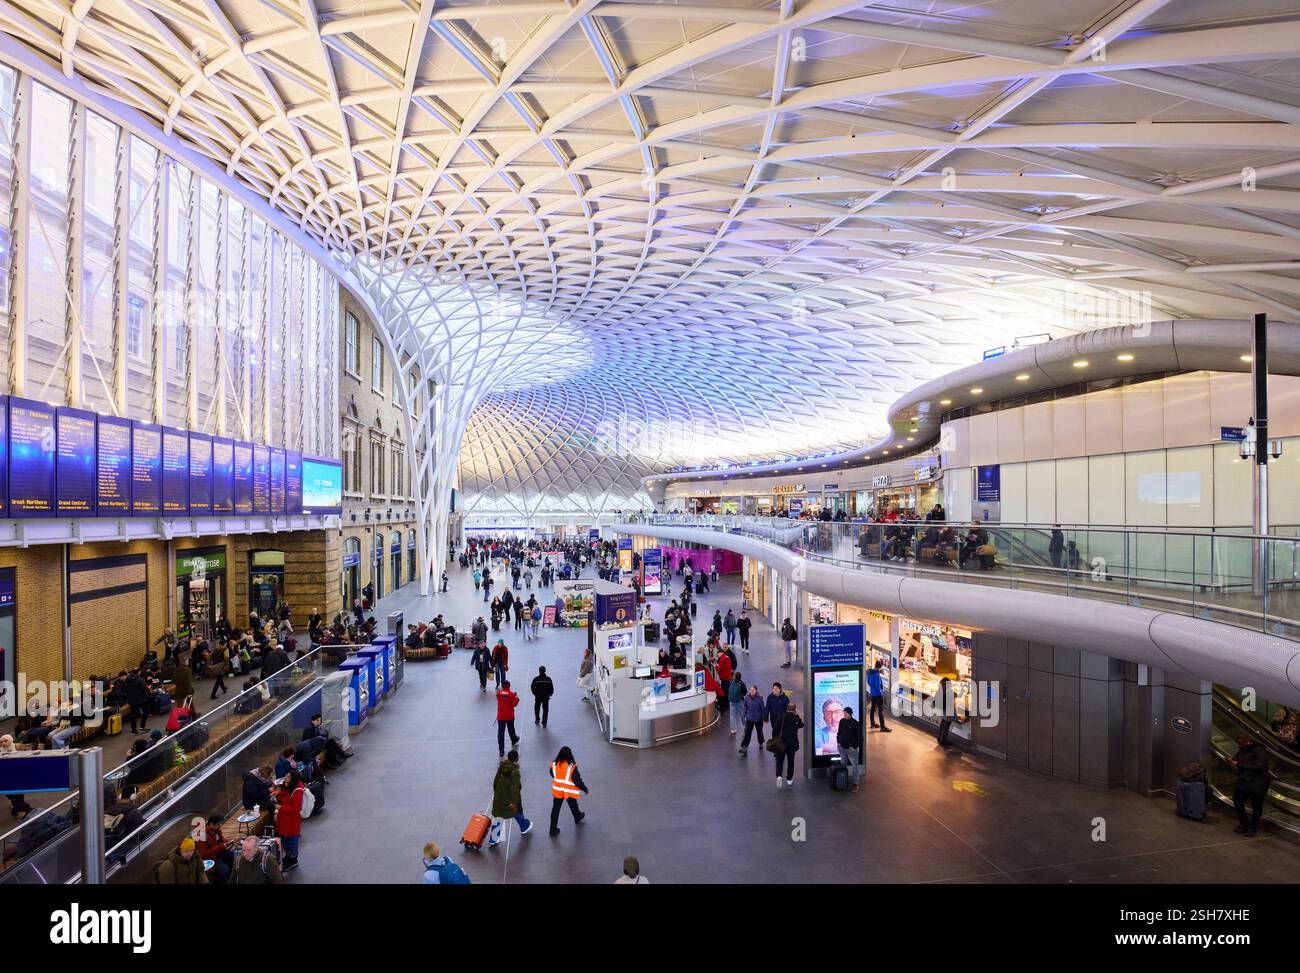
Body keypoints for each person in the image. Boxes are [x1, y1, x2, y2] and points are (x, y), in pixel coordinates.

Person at [1228, 734, 1270, 836]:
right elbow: (1238, 757)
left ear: (1249, 742)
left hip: (1258, 783)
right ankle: (1243, 823)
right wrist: (1232, 759)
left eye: (1241, 744)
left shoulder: (1260, 751)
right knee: (1237, 800)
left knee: (1256, 805)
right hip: (1244, 780)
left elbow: (1259, 767)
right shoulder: (1243, 749)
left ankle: (1253, 826)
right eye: (1239, 744)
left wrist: (1238, 764)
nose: (1239, 746)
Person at [488, 750, 532, 847]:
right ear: (516, 759)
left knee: (498, 816)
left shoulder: (502, 766)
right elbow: (514, 789)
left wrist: (497, 793)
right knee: (516, 811)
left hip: (499, 796)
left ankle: (494, 839)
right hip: (508, 798)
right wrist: (514, 802)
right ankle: (524, 826)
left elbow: (495, 781)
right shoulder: (515, 772)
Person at [548, 745, 589, 836]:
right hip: (568, 791)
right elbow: (577, 780)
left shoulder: (554, 764)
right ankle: (577, 816)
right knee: (573, 804)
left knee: (555, 810)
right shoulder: (572, 766)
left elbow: (552, 774)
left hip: (558, 791)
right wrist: (585, 789)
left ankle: (552, 830)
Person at [273, 770, 305, 871]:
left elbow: (295, 809)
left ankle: (293, 859)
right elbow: (283, 798)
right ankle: (288, 856)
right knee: (285, 839)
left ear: (293, 779)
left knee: (291, 840)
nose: (285, 777)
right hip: (284, 820)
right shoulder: (287, 786)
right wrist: (278, 793)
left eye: (288, 776)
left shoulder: (297, 791)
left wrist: (281, 807)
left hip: (291, 821)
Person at [196, 813, 235, 883]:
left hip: (218, 853)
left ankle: (232, 878)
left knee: (233, 854)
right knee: (224, 870)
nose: (220, 826)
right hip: (209, 860)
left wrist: (226, 841)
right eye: (218, 824)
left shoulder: (216, 829)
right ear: (211, 824)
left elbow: (220, 839)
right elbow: (203, 854)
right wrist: (221, 846)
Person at [773, 702, 804, 788]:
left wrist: (775, 737)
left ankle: (779, 775)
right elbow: (802, 725)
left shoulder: (782, 716)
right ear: (794, 709)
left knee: (780, 761)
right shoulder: (795, 718)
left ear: (787, 708)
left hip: (782, 743)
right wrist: (797, 716)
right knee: (791, 761)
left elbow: (775, 729)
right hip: (792, 744)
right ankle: (789, 779)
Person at [836, 706, 863, 792]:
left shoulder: (855, 724)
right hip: (842, 748)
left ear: (850, 714)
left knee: (855, 766)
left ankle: (855, 783)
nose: (844, 714)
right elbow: (839, 731)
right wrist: (838, 742)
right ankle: (843, 781)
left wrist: (854, 747)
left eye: (846, 713)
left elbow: (860, 738)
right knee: (843, 764)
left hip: (851, 750)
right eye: (844, 712)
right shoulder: (842, 721)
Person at [496, 680, 521, 757]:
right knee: (511, 729)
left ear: (502, 686)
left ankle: (501, 751)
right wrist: (516, 697)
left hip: (501, 716)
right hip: (509, 715)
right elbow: (514, 704)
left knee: (501, 733)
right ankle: (514, 739)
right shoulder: (512, 694)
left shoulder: (498, 693)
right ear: (509, 686)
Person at [739, 683, 766, 754]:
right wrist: (744, 714)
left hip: (758, 719)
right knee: (747, 733)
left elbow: (763, 709)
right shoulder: (747, 698)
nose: (751, 691)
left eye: (753, 690)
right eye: (750, 690)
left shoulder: (760, 699)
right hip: (750, 718)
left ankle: (761, 742)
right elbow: (745, 707)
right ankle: (744, 747)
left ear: (756, 691)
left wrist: (764, 718)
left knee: (759, 732)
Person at [867, 659, 891, 732]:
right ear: (879, 667)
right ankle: (882, 727)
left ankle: (873, 723)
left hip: (873, 692)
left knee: (872, 708)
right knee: (881, 710)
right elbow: (878, 686)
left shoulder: (870, 673)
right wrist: (881, 694)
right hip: (878, 694)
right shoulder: (877, 674)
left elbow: (869, 682)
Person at [726, 669, 746, 735]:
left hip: (731, 701)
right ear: (740, 677)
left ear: (735, 676)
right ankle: (745, 725)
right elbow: (745, 692)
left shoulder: (731, 681)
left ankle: (733, 729)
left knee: (732, 715)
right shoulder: (741, 683)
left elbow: (728, 688)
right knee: (742, 714)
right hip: (739, 701)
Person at [936, 676, 955, 747]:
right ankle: (943, 741)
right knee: (946, 726)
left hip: (942, 710)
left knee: (943, 724)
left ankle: (939, 738)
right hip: (947, 711)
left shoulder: (940, 689)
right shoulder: (949, 691)